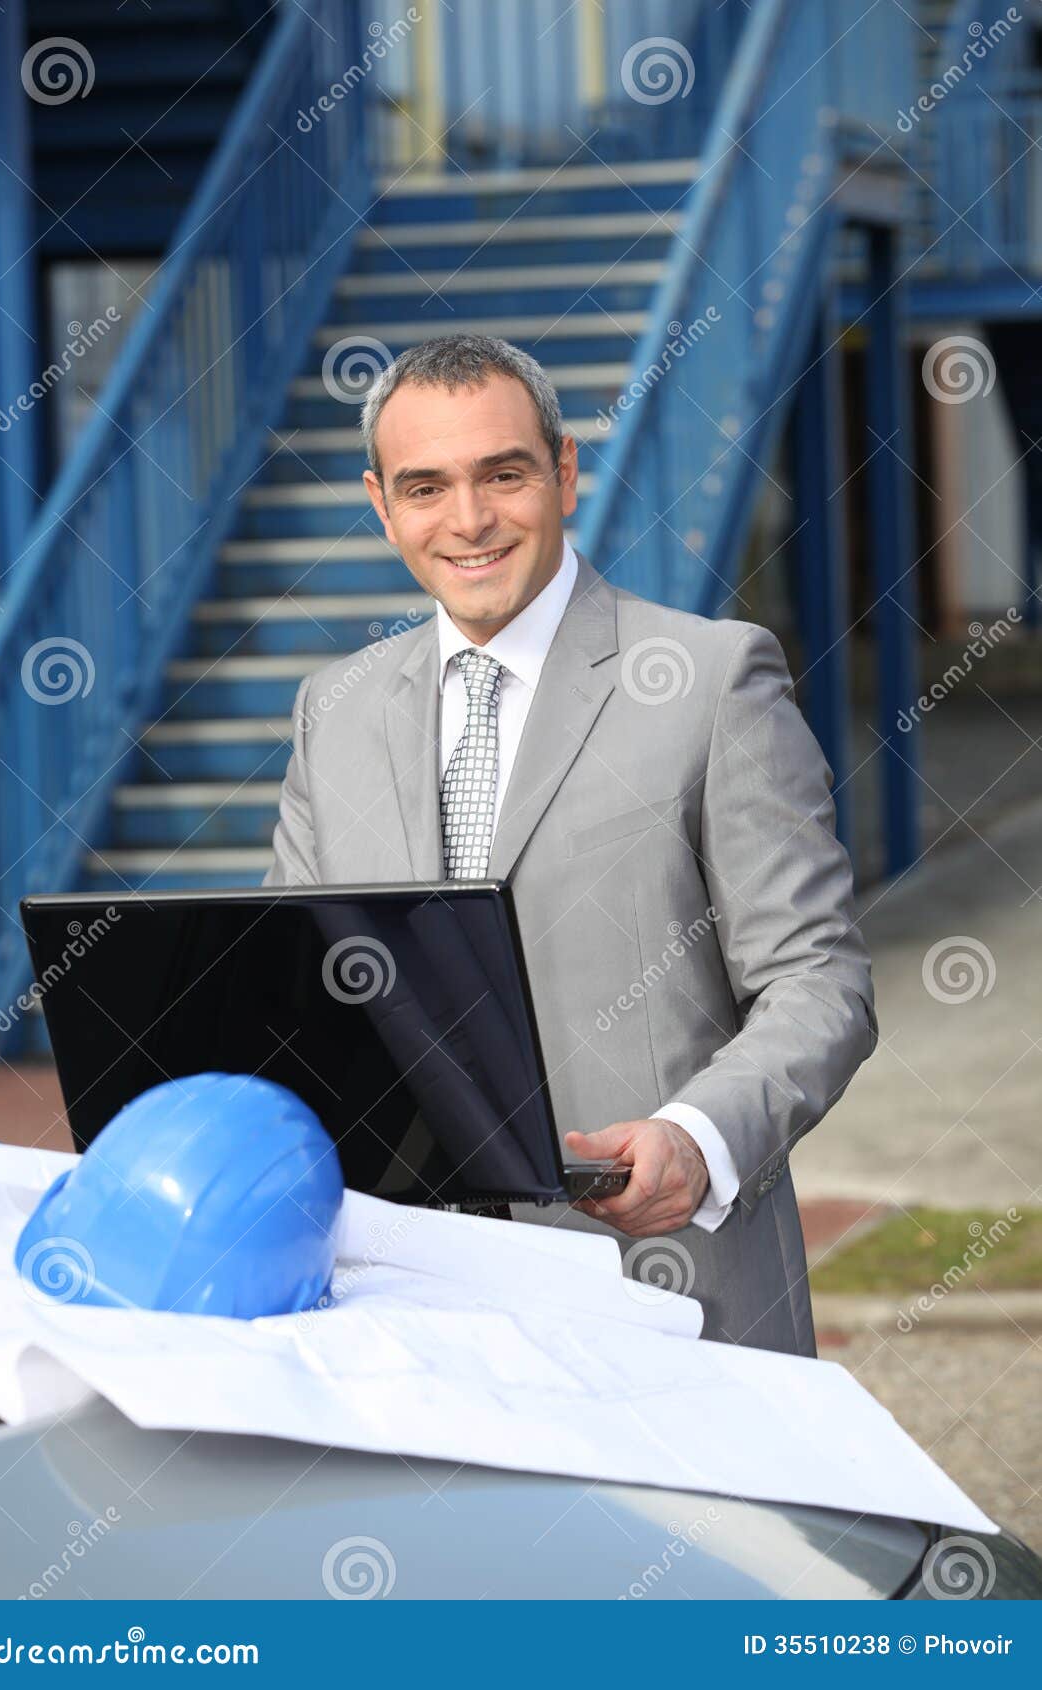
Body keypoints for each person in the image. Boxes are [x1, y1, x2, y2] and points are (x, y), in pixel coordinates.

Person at [264, 335, 876, 1356]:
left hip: (662, 1293)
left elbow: (818, 980)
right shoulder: (333, 712)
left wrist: (697, 1138)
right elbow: (293, 996)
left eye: (502, 475)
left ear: (562, 473)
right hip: (408, 1313)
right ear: (381, 505)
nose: (468, 520)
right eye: (425, 487)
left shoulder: (711, 680)